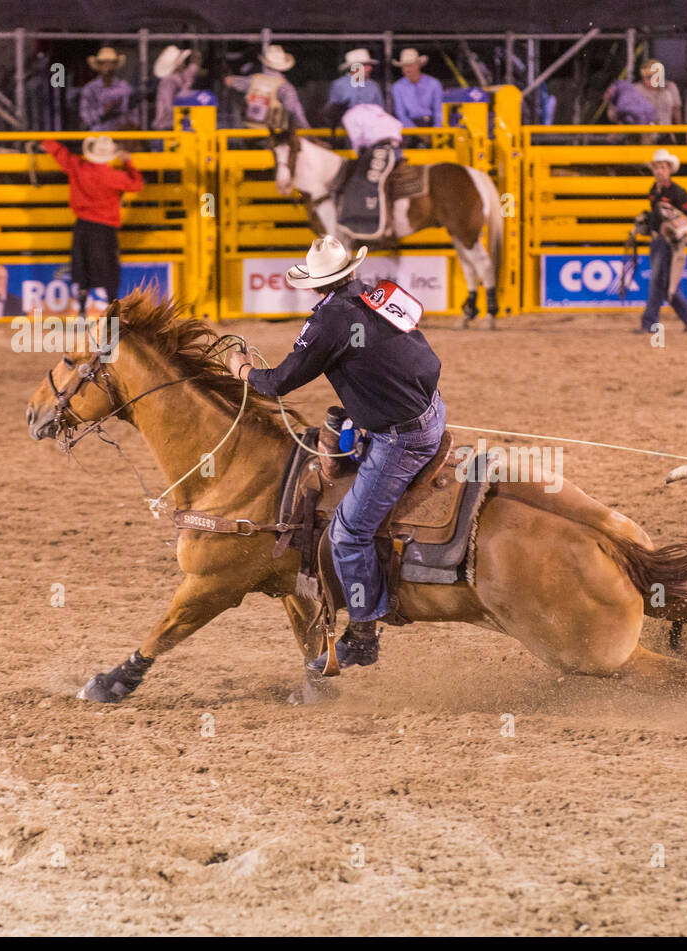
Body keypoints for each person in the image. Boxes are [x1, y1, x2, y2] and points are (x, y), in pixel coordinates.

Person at [227, 236, 445, 675]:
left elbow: (278, 383)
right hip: (429, 408)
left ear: (313, 285)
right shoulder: (376, 292)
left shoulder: (330, 322)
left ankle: (364, 633)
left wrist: (240, 369)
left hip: (400, 436)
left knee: (348, 533)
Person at [40, 135, 144, 314]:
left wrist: (45, 142)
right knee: (108, 267)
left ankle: (81, 307)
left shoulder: (79, 167)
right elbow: (137, 185)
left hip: (83, 225)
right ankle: (113, 308)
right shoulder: (114, 176)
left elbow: (62, 155)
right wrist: (129, 164)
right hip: (105, 228)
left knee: (81, 265)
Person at [635, 148, 687, 334]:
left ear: (669, 169)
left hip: (670, 244)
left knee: (657, 281)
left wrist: (681, 232)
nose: (659, 171)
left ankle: (649, 323)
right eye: (656, 167)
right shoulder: (653, 191)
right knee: (663, 282)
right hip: (657, 241)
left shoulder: (677, 192)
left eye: (662, 167)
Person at [338, 103, 405, 236]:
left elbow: (357, 142)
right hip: (396, 143)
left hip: (381, 148)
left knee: (367, 182)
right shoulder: (371, 107)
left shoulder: (348, 117)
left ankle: (382, 222)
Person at [224, 45, 309, 131]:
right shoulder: (285, 87)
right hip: (274, 133)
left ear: (265, 63)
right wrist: (307, 131)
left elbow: (230, 81)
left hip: (250, 130)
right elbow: (295, 110)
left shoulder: (252, 80)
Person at [324, 48, 385, 127]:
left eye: (369, 65)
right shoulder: (338, 85)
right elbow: (332, 112)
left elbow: (380, 111)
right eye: (365, 65)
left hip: (371, 129)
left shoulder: (374, 86)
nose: (370, 68)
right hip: (346, 130)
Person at [80, 47, 134, 132]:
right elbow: (86, 118)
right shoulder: (90, 89)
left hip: (121, 135)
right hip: (98, 135)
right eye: (102, 62)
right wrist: (103, 110)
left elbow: (132, 114)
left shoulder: (125, 87)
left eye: (110, 62)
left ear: (115, 64)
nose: (106, 65)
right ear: (98, 65)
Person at [390, 48, 443, 133]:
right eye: (404, 66)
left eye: (410, 65)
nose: (407, 69)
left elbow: (439, 110)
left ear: (418, 65)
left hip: (430, 123)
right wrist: (416, 132)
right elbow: (400, 113)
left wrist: (437, 131)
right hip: (409, 125)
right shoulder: (397, 87)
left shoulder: (434, 83)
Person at [152, 45, 199, 131]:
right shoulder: (168, 81)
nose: (184, 63)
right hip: (166, 127)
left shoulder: (177, 78)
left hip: (173, 125)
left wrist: (194, 63)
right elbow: (169, 104)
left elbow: (189, 75)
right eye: (182, 61)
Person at [633, 59, 682, 127]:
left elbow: (676, 110)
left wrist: (680, 131)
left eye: (649, 77)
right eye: (644, 78)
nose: (645, 81)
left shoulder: (671, 87)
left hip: (666, 130)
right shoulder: (636, 89)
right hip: (645, 131)